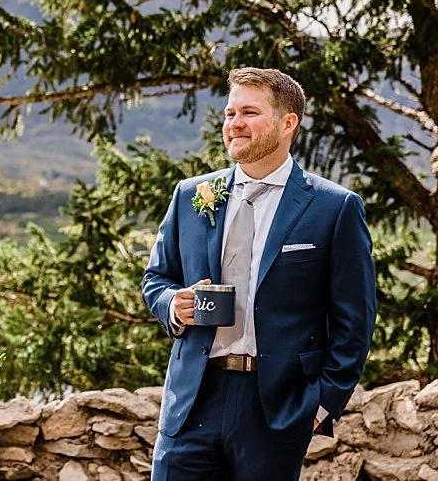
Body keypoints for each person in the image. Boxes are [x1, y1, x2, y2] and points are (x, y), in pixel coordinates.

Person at [142, 68, 376, 480]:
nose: (234, 123)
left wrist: (321, 405)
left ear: (288, 123)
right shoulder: (191, 195)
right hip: (193, 397)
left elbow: (354, 320)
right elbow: (156, 280)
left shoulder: (334, 207)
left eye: (249, 112)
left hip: (276, 407)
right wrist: (171, 304)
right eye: (230, 113)